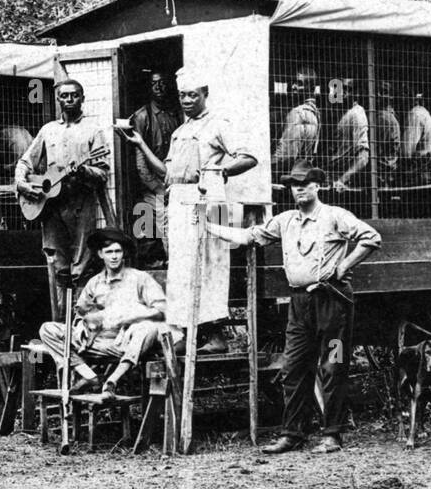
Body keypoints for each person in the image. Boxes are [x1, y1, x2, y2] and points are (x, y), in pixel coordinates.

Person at [205, 160, 381, 455]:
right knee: (293, 367)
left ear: (318, 186)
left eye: (305, 183)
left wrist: (344, 265)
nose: (299, 189)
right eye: (294, 185)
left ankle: (332, 435)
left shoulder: (335, 216)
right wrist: (209, 226)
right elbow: (250, 237)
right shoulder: (285, 220)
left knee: (334, 364)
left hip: (333, 304)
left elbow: (371, 238)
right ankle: (292, 434)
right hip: (300, 305)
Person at [119, 65, 257, 354]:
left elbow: (248, 157)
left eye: (193, 95)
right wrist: (141, 143)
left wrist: (219, 172)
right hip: (180, 200)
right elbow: (166, 173)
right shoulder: (181, 131)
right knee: (182, 266)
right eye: (182, 96)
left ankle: (216, 336)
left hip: (212, 200)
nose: (186, 101)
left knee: (212, 263)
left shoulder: (220, 123)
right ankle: (189, 333)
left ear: (205, 94)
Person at [14, 79, 111, 320]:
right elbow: (25, 162)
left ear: (82, 98)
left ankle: (80, 323)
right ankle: (59, 323)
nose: (69, 100)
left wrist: (83, 171)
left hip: (80, 204)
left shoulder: (93, 130)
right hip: (50, 206)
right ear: (58, 99)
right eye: (64, 96)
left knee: (82, 265)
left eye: (74, 96)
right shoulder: (48, 130)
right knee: (58, 266)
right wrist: (23, 185)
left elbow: (103, 172)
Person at [37, 228, 171, 398]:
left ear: (123, 254)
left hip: (126, 345)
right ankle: (90, 376)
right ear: (101, 254)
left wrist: (131, 317)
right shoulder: (95, 283)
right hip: (96, 343)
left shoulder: (139, 278)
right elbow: (80, 314)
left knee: (149, 328)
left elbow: (162, 310)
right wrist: (82, 326)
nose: (114, 256)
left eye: (118, 251)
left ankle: (111, 382)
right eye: (109, 252)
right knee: (48, 329)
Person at [127, 71, 182, 266]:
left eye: (163, 83)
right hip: (154, 185)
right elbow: (141, 163)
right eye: (154, 84)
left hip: (175, 181)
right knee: (157, 224)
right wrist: (159, 189)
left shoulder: (177, 113)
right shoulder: (142, 117)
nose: (159, 87)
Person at [272, 67, 321, 176]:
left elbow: (287, 155)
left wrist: (266, 165)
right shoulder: (314, 113)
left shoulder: (298, 113)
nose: (293, 86)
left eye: (299, 83)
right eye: (293, 82)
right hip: (301, 172)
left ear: (311, 88)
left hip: (288, 175)